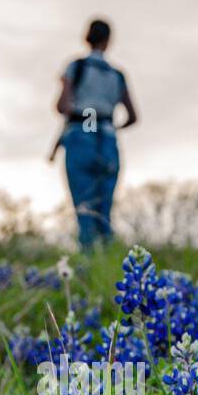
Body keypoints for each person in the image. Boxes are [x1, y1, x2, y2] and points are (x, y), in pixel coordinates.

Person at [51, 18, 137, 250]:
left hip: (81, 135)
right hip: (108, 139)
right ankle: (107, 260)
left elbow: (62, 107)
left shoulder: (76, 67)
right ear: (108, 41)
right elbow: (132, 116)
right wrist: (109, 126)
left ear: (86, 37)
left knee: (84, 207)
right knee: (104, 208)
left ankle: (88, 263)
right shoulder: (117, 75)